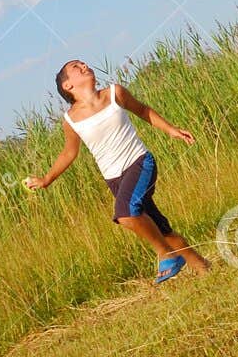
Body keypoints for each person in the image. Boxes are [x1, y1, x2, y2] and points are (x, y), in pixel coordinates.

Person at [26, 58, 209, 283]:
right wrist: (46, 179)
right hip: (114, 179)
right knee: (158, 228)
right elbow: (68, 153)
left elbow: (142, 110)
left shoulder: (115, 93)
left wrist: (171, 130)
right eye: (76, 67)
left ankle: (166, 254)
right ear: (67, 86)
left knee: (125, 214)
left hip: (139, 163)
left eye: (84, 63)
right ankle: (203, 268)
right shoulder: (70, 120)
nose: (84, 66)